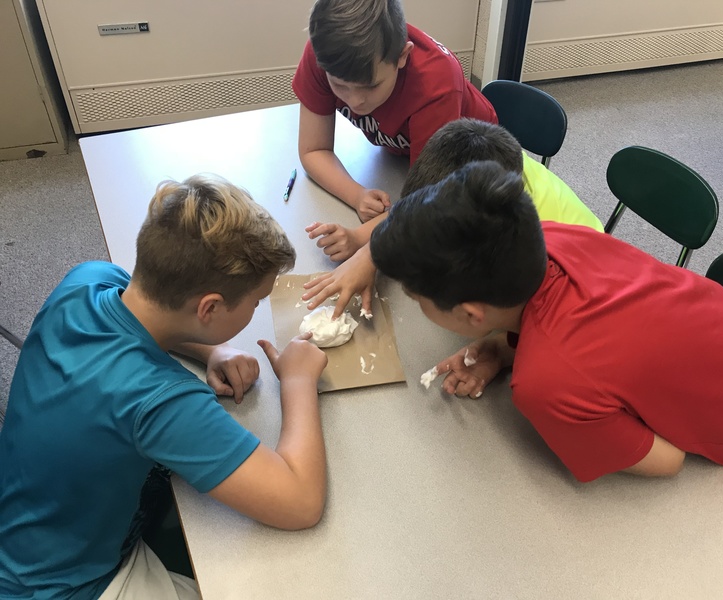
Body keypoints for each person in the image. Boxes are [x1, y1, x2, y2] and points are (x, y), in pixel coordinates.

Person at [369, 160, 723, 510]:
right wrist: (505, 349)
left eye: (415, 296)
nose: (415, 305)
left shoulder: (546, 385)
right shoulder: (546, 238)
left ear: (469, 313)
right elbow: (596, 332)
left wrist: (568, 384)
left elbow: (668, 461)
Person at [0, 175, 329, 599]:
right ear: (209, 307)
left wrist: (215, 351)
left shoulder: (85, 281)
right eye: (256, 301)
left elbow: (147, 307)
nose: (257, 309)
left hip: (21, 531)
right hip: (62, 585)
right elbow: (300, 501)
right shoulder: (162, 401)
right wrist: (298, 381)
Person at [301, 118, 602, 321]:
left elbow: (534, 318)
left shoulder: (530, 248)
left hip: (584, 279)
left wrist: (499, 349)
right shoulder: (492, 172)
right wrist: (368, 249)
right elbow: (426, 207)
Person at [293, 0, 497, 224]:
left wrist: (359, 239)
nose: (355, 101)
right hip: (402, 152)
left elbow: (424, 205)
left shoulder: (436, 86)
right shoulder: (326, 55)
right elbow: (314, 150)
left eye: (371, 86)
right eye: (340, 86)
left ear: (402, 56)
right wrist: (357, 195)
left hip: (472, 156)